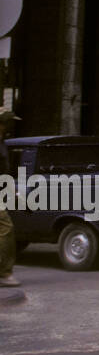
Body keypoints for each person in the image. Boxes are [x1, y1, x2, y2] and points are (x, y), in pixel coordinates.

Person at [0, 109, 20, 288]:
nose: (13, 125)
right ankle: (5, 273)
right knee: (6, 228)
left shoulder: (2, 142)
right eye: (10, 122)